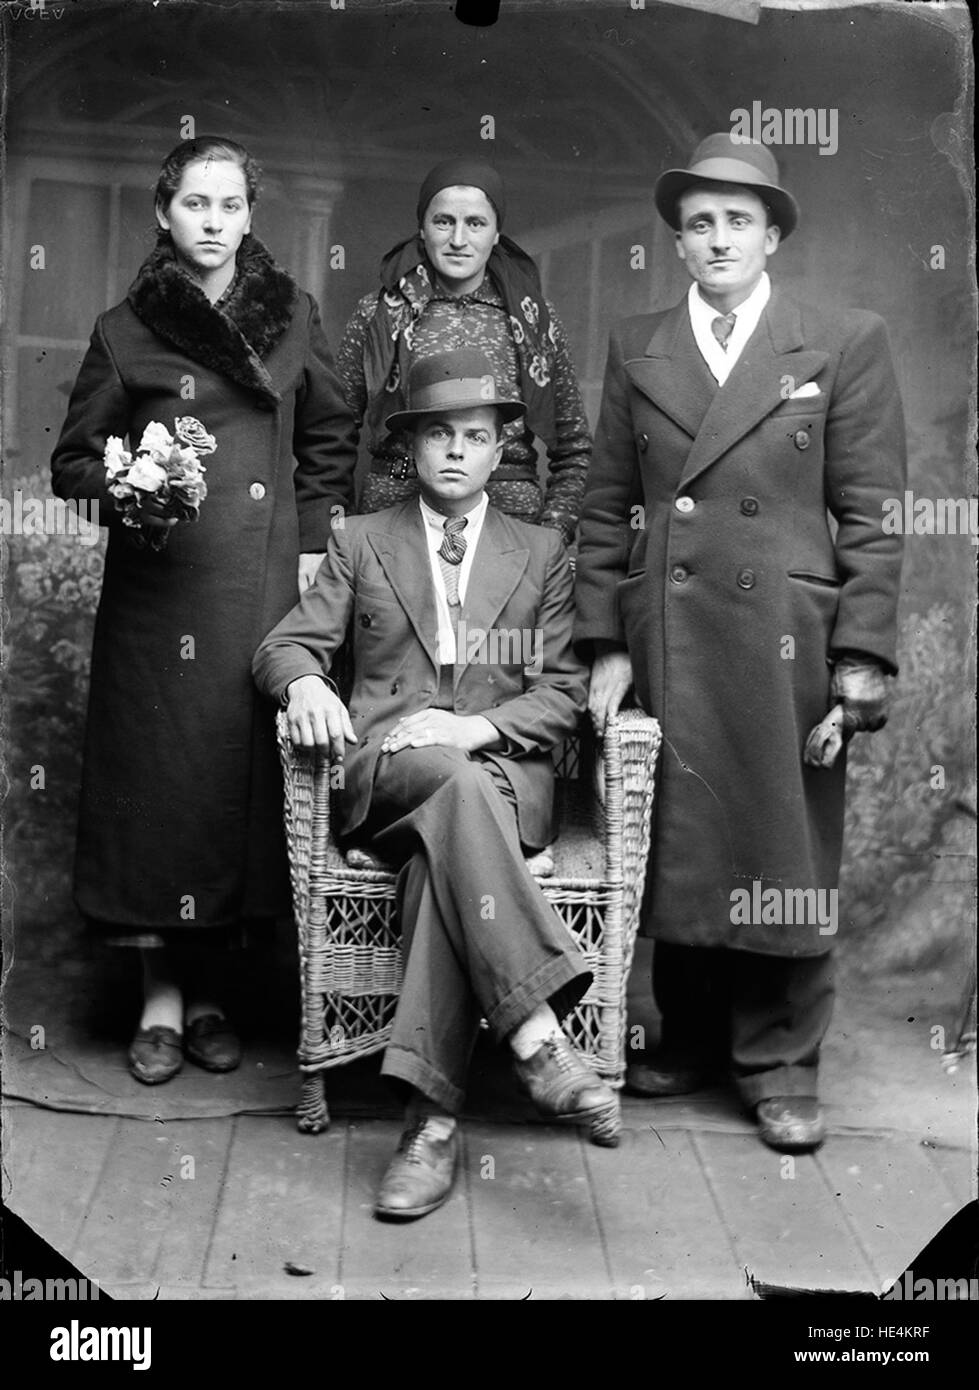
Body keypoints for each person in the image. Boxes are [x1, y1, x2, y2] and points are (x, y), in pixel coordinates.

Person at [574, 133, 906, 1153]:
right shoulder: (638, 344)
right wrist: (606, 644)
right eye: (697, 224)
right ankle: (688, 1037)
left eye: (736, 222)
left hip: (787, 638)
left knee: (782, 838)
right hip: (674, 630)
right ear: (677, 243)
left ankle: (779, 1063)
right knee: (686, 832)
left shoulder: (842, 339)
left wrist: (859, 650)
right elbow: (601, 510)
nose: (716, 239)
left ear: (771, 236)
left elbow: (871, 514)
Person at [254, 348, 617, 1220]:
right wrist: (305, 683)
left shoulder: (541, 552)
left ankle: (430, 1123)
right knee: (448, 796)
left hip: (490, 780)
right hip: (385, 775)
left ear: (501, 453)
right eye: (438, 435)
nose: (456, 451)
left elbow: (563, 695)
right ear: (410, 449)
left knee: (440, 855)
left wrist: (474, 727)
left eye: (477, 436)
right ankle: (537, 1033)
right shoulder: (360, 540)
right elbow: (283, 646)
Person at [51, 135, 358, 1085]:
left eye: (230, 205)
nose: (214, 222)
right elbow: (70, 463)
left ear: (250, 215)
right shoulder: (126, 327)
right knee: (161, 794)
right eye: (195, 204)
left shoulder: (294, 314)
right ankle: (158, 999)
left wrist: (309, 547)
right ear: (164, 213)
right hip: (157, 597)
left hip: (254, 590)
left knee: (235, 786)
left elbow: (331, 436)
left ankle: (219, 991)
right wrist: (129, 480)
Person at [335, 157, 591, 544]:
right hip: (392, 523)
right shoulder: (378, 313)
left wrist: (552, 534)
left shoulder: (534, 319)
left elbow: (573, 445)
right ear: (422, 228)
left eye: (475, 223)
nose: (458, 239)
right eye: (443, 222)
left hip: (511, 525)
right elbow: (332, 431)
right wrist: (340, 531)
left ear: (496, 234)